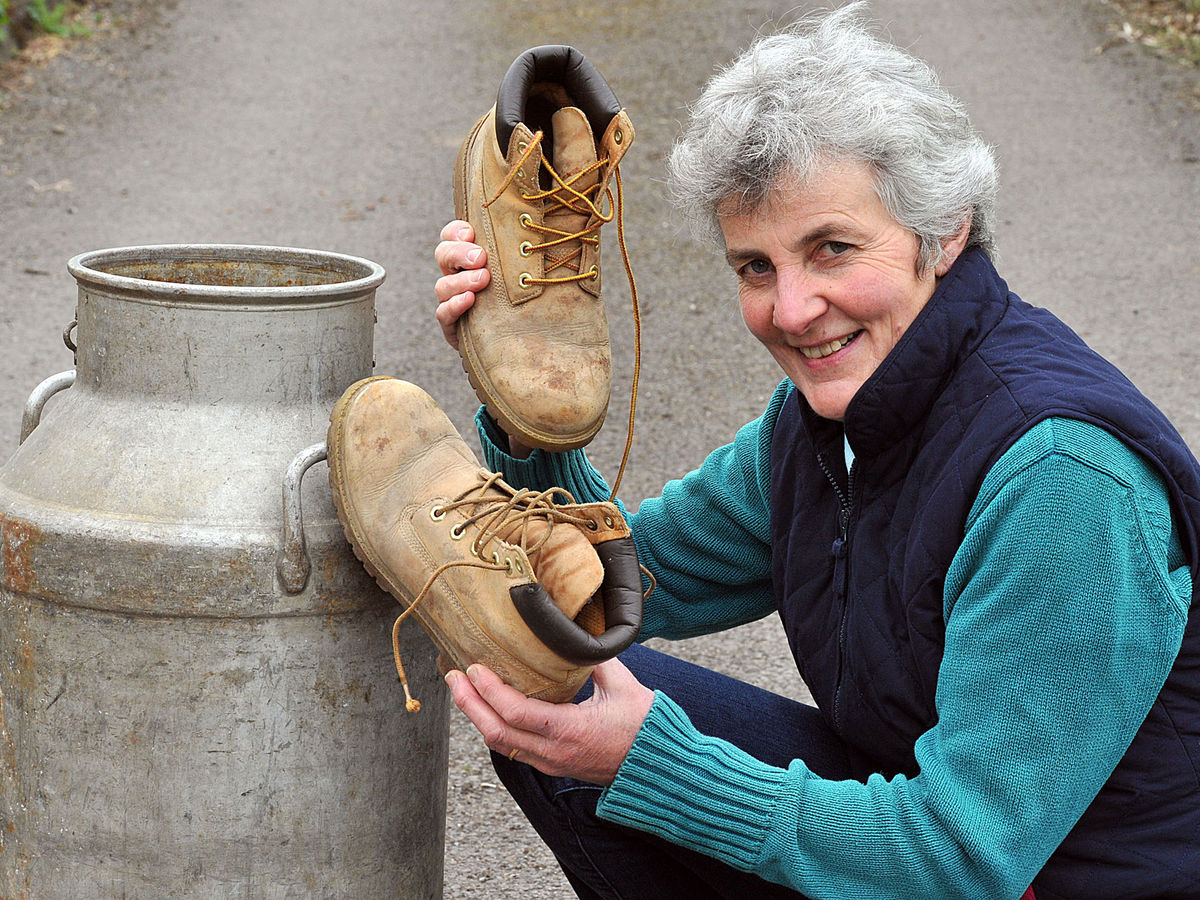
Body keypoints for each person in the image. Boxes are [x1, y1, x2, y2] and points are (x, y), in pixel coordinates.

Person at [431, 6, 1200, 898]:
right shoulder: (827, 427)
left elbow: (961, 860)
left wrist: (660, 767)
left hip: (1048, 877)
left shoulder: (1061, 477)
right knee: (549, 668)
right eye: (756, 266)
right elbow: (607, 588)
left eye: (832, 249)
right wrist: (524, 401)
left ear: (944, 230)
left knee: (630, 751)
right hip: (941, 839)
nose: (791, 310)